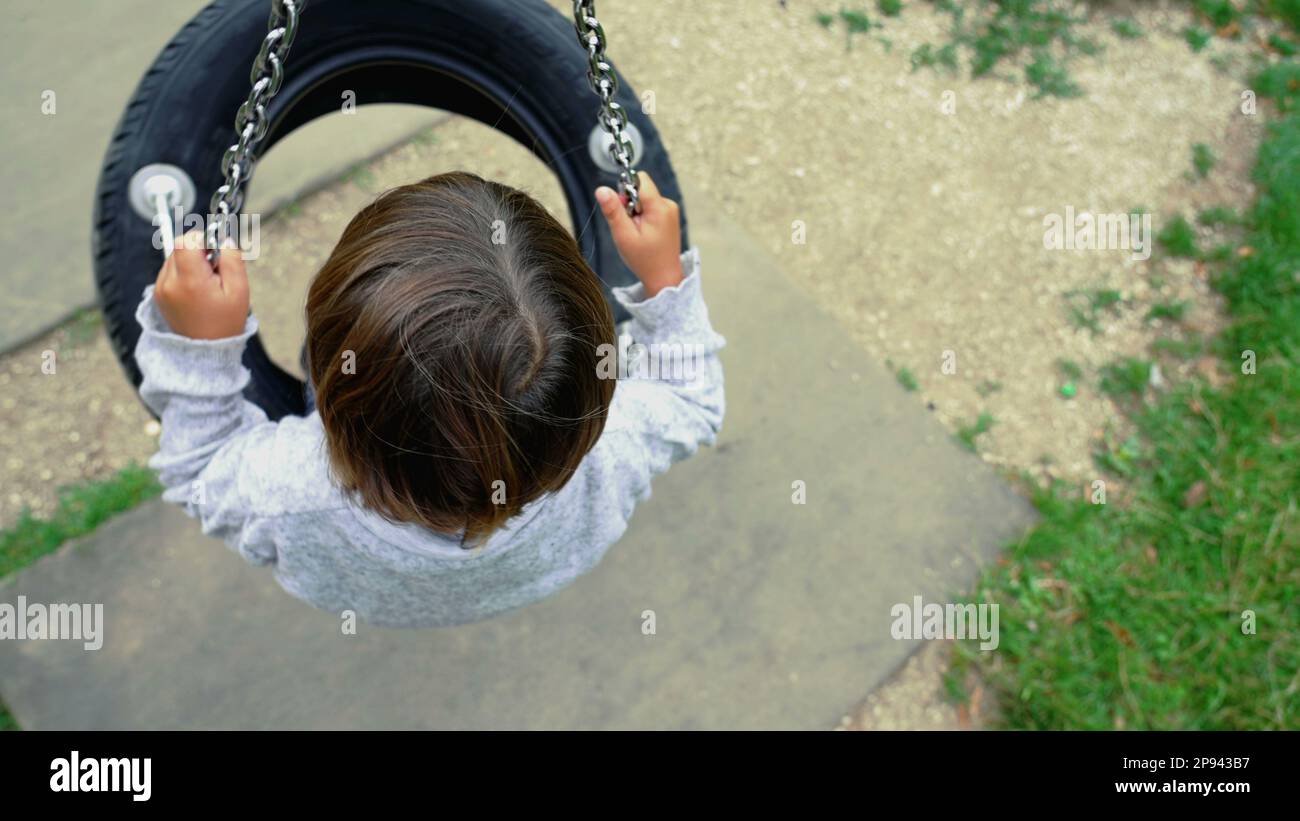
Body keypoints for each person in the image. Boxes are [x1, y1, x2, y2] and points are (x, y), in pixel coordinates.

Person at [133, 170, 725, 627]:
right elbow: (691, 397)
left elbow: (200, 467)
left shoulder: (290, 493)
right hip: (531, 572)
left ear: (329, 378)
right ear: (595, 397)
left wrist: (203, 348)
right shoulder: (613, 450)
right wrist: (664, 280)